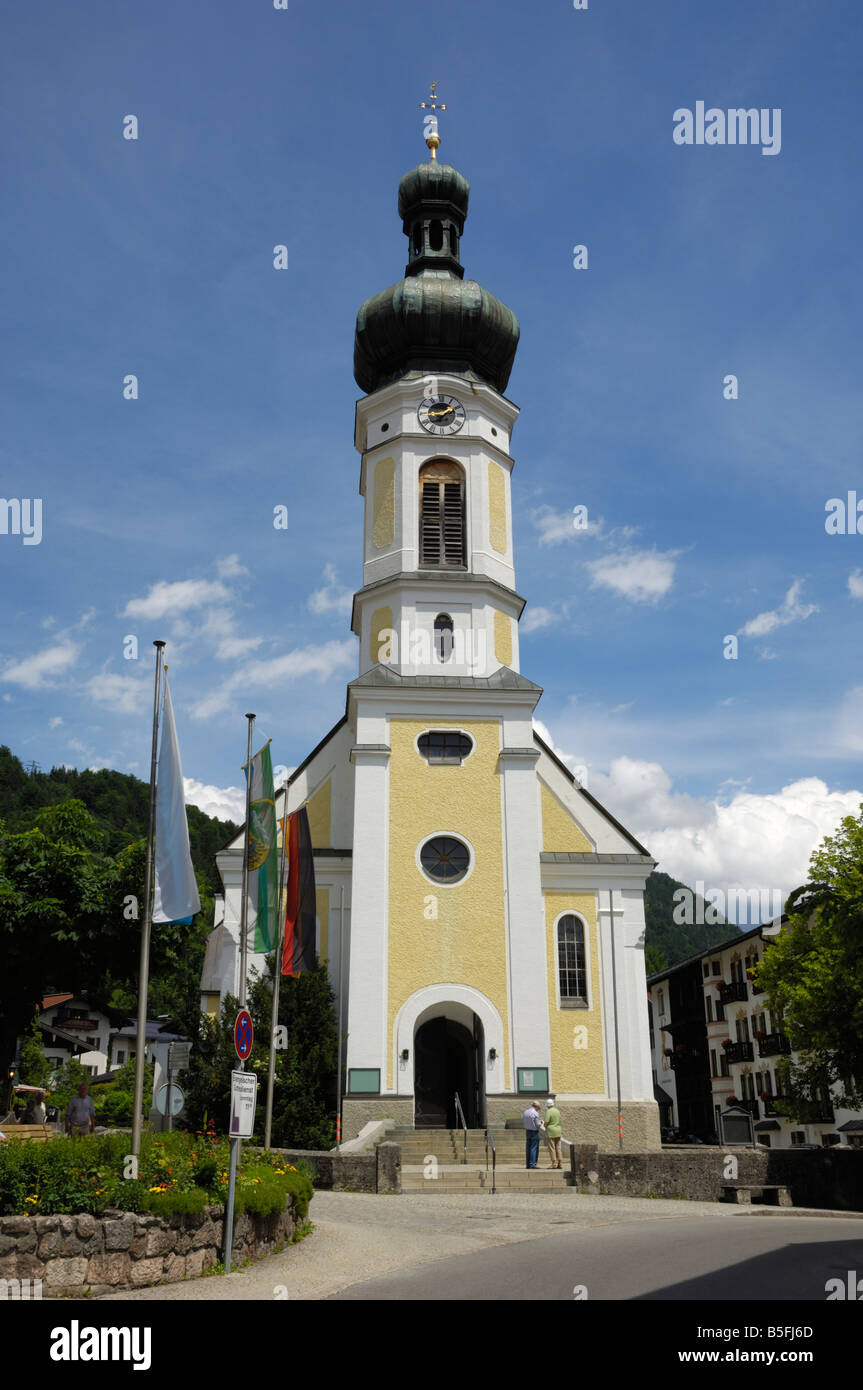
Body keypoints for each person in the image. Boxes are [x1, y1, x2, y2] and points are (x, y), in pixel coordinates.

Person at [522, 1098, 543, 1169]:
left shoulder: (525, 1112)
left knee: (528, 1148)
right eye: (538, 1108)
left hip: (527, 1131)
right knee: (534, 1148)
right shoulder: (535, 1113)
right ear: (536, 1106)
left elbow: (523, 1121)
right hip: (534, 1132)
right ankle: (533, 1164)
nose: (538, 1110)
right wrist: (541, 1122)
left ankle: (528, 1164)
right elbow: (538, 1124)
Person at [544, 1097, 563, 1169]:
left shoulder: (549, 1111)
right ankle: (560, 1163)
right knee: (558, 1147)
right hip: (558, 1130)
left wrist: (544, 1125)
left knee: (552, 1147)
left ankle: (554, 1163)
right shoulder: (557, 1111)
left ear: (547, 1105)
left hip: (551, 1131)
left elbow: (546, 1122)